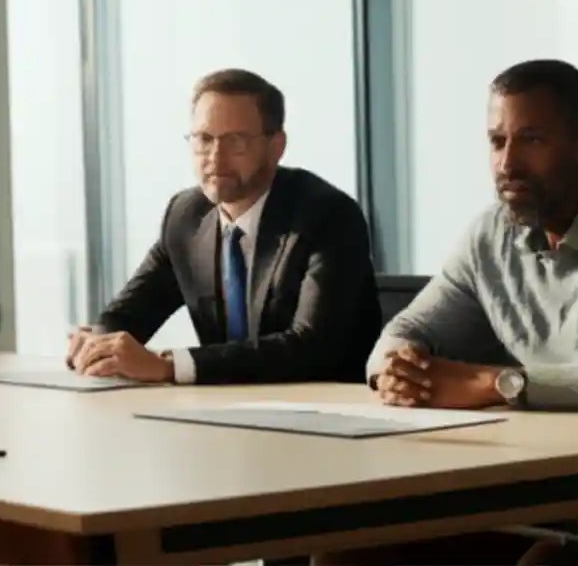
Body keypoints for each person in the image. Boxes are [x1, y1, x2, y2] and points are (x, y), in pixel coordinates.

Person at [324, 59, 578, 565]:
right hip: (539, 485)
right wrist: (397, 370)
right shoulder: (491, 235)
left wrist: (496, 384)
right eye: (497, 142)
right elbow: (406, 330)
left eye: (532, 140)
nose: (507, 164)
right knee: (350, 554)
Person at [69, 69, 381, 385]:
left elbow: (310, 347)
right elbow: (129, 315)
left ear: (276, 146)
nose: (216, 158)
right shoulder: (185, 216)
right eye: (204, 139)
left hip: (325, 415)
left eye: (236, 141)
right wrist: (99, 341)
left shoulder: (326, 214)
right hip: (224, 411)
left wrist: (168, 365)